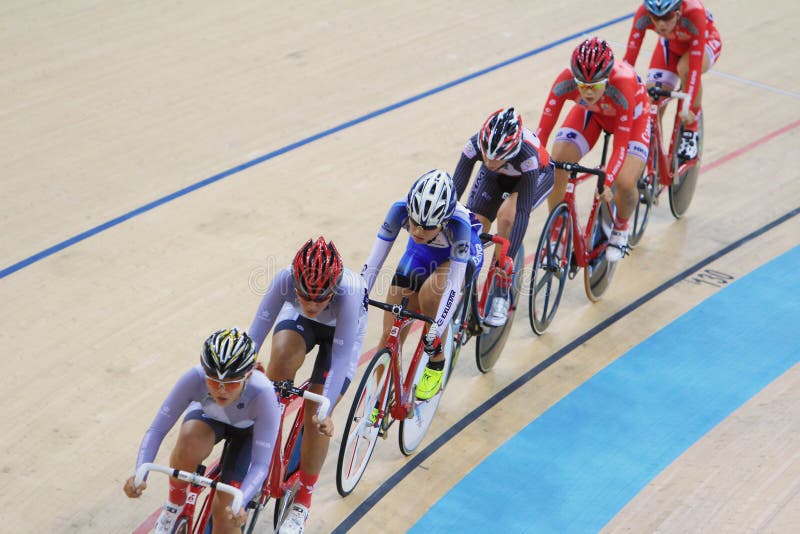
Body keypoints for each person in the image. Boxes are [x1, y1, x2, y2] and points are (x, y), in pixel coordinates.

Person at [247, 237, 367, 534]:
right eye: (305, 296)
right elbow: (255, 335)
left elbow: (341, 357)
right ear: (296, 285)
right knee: (279, 363)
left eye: (320, 298)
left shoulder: (350, 292)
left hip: (341, 336)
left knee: (317, 413)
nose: (312, 305)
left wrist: (326, 408)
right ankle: (262, 457)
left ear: (333, 289)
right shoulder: (285, 280)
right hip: (299, 322)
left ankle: (303, 501)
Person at [123, 328, 281, 534]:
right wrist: (140, 473)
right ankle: (174, 507)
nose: (221, 390)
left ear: (248, 376)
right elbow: (157, 430)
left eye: (231, 384)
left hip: (248, 432)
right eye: (213, 381)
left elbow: (261, 464)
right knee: (189, 442)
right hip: (209, 416)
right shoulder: (194, 377)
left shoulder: (264, 394)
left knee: (226, 514)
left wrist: (241, 501)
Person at [361, 169, 484, 401]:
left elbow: (453, 287)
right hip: (421, 253)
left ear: (444, 222)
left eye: (427, 227)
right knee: (390, 334)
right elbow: (374, 261)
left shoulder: (459, 225)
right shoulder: (399, 209)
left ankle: (436, 359)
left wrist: (436, 328)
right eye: (414, 223)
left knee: (430, 294)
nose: (417, 230)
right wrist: (360, 297)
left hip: (462, 256)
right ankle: (378, 401)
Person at [536, 37, 650, 261]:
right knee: (558, 163)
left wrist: (608, 180)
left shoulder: (623, 85)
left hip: (633, 119)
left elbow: (620, 146)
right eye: (582, 85)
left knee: (625, 182)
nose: (588, 92)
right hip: (593, 113)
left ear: (607, 79)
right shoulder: (565, 82)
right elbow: (542, 133)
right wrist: (536, 163)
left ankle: (621, 228)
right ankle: (557, 232)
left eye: (595, 86)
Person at [452, 107, 554, 326]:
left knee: (508, 216)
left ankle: (501, 291)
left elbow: (523, 212)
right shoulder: (476, 145)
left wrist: (509, 254)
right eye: (486, 155)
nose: (489, 161)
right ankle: (460, 285)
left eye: (496, 158)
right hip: (497, 177)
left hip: (537, 175)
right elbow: (454, 192)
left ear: (512, 150)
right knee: (473, 224)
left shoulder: (527, 156)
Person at [623, 0, 722, 161]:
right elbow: (629, 62)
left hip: (705, 43)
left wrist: (688, 105)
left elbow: (694, 68)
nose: (661, 24)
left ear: (678, 11)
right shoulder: (643, 14)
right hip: (671, 45)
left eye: (667, 17)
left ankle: (691, 130)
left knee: (685, 69)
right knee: (653, 98)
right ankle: (655, 153)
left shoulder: (694, 12)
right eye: (655, 18)